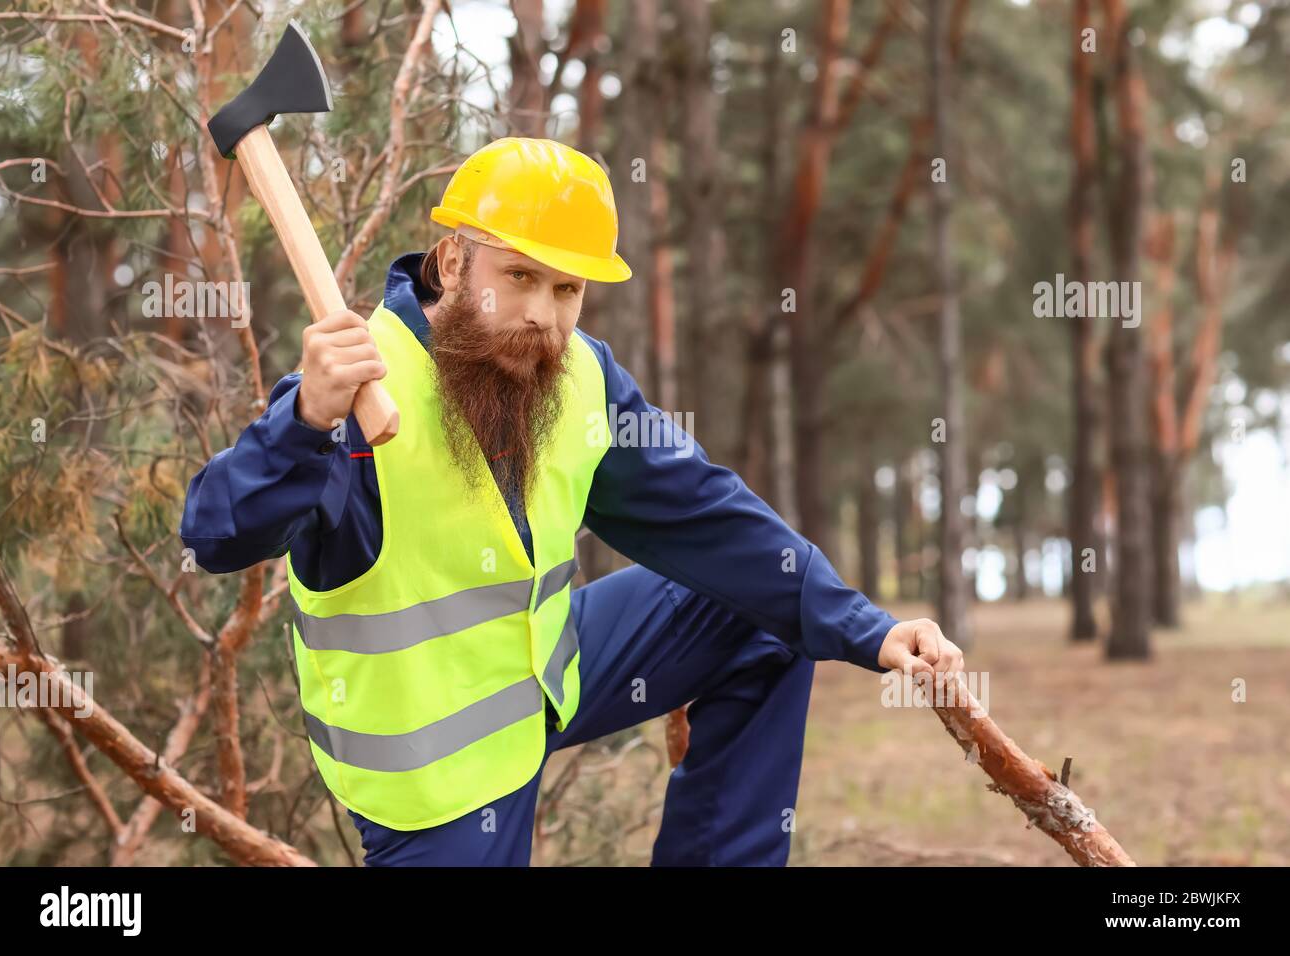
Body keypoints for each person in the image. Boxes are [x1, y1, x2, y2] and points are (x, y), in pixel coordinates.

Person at [179, 136, 964, 866]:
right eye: (519, 277)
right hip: (435, 776)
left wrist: (867, 628)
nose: (542, 317)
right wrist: (304, 421)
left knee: (767, 613)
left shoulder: (580, 375)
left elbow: (704, 514)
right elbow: (215, 532)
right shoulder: (353, 396)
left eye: (567, 289)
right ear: (453, 263)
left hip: (547, 671)